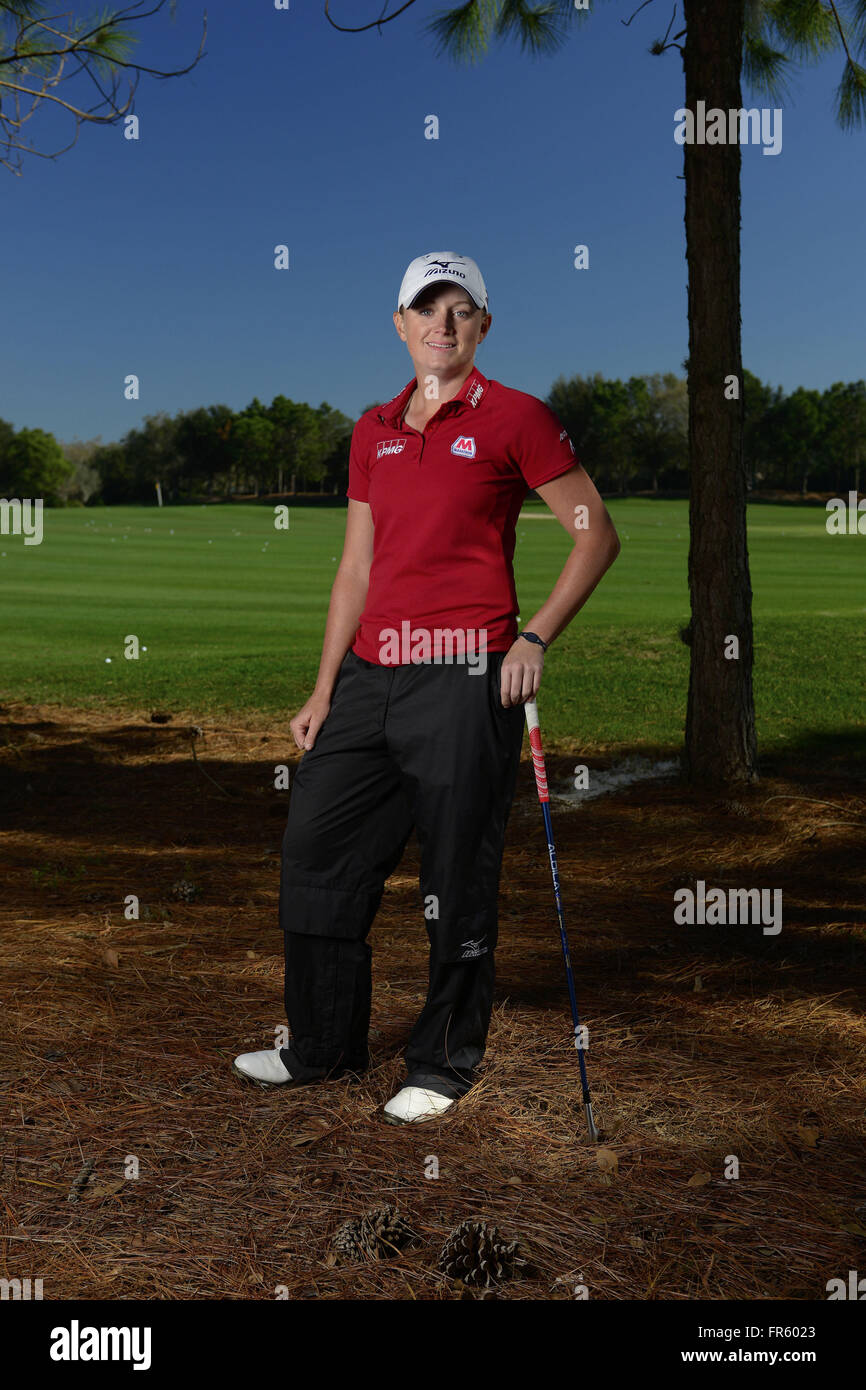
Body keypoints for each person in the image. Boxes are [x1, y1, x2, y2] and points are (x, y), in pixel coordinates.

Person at [233, 251, 620, 1123]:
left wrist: (534, 636)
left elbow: (595, 537)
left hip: (466, 673)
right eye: (425, 309)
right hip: (371, 675)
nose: (441, 326)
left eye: (460, 310)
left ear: (483, 324)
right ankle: (322, 1046)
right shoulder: (372, 430)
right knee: (316, 849)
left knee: (455, 869)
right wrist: (325, 685)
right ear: (400, 323)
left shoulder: (519, 417)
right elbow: (355, 569)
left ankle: (442, 1062)